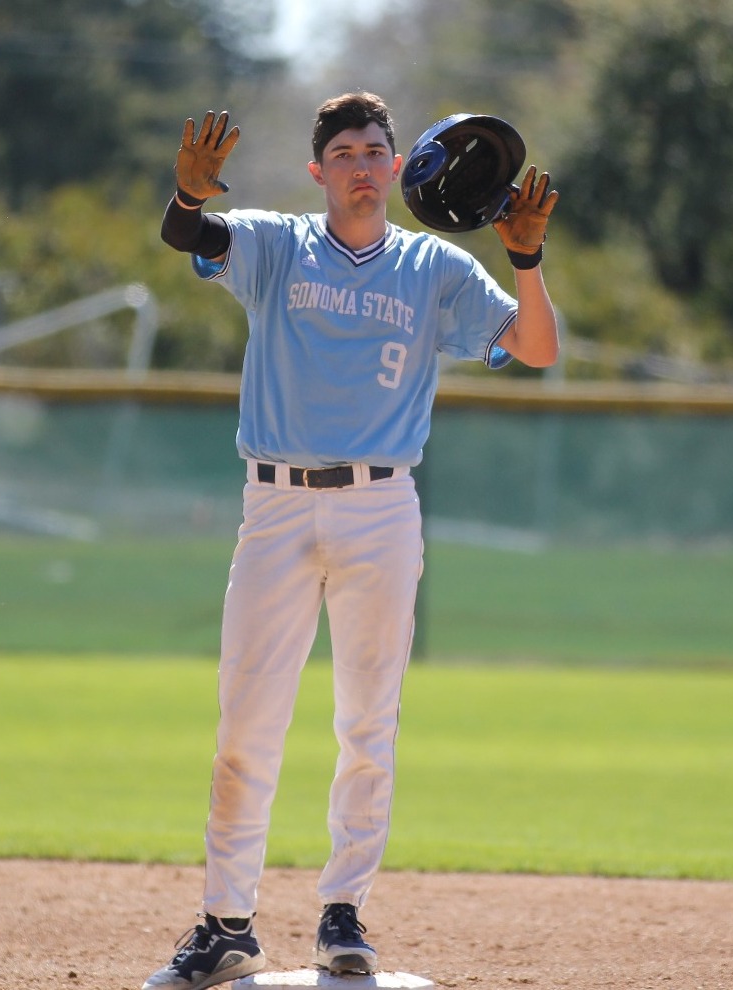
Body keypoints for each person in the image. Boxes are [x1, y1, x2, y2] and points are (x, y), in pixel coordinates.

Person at [143, 92, 560, 990]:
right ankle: (227, 925)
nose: (363, 163)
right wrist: (187, 201)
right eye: (345, 151)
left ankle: (343, 913)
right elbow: (194, 240)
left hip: (381, 508)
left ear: (400, 164)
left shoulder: (434, 269)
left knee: (368, 722)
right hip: (277, 505)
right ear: (319, 171)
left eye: (377, 148)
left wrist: (525, 259)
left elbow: (536, 347)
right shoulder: (279, 246)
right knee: (246, 723)